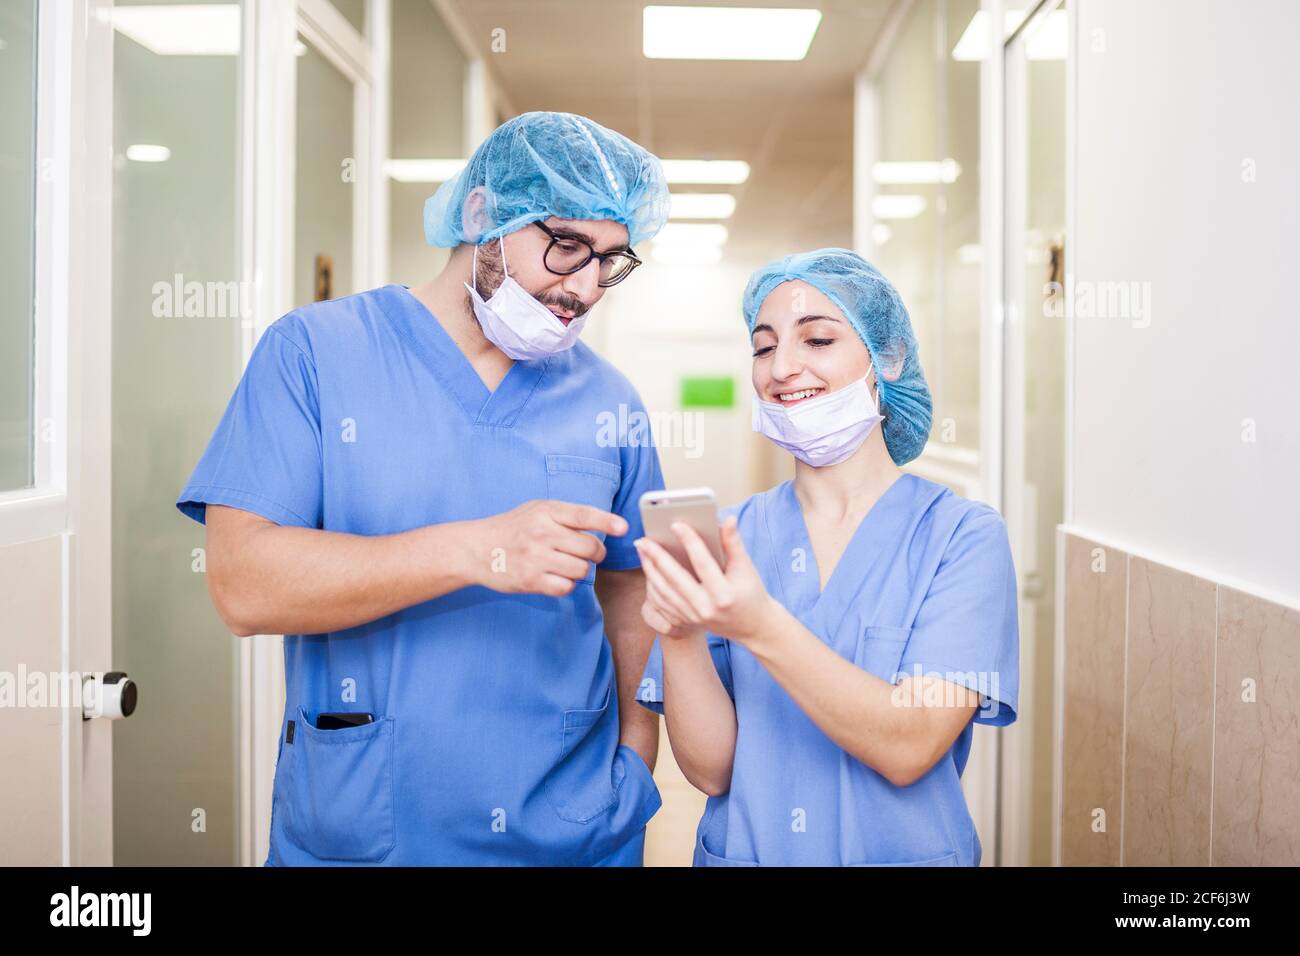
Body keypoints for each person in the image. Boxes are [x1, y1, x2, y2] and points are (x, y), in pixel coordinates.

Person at [176, 111, 672, 865]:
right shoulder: (314, 353)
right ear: (482, 215)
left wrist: (636, 754)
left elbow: (628, 591)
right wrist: (476, 550)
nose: (585, 286)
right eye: (565, 246)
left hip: (571, 830)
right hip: (369, 822)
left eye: (610, 259)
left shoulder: (609, 401)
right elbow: (244, 586)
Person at [634, 248, 1020, 866]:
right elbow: (712, 771)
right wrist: (680, 634)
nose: (782, 367)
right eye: (763, 347)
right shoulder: (732, 539)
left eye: (816, 340)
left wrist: (759, 625)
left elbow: (909, 746)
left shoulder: (960, 537)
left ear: (885, 359)